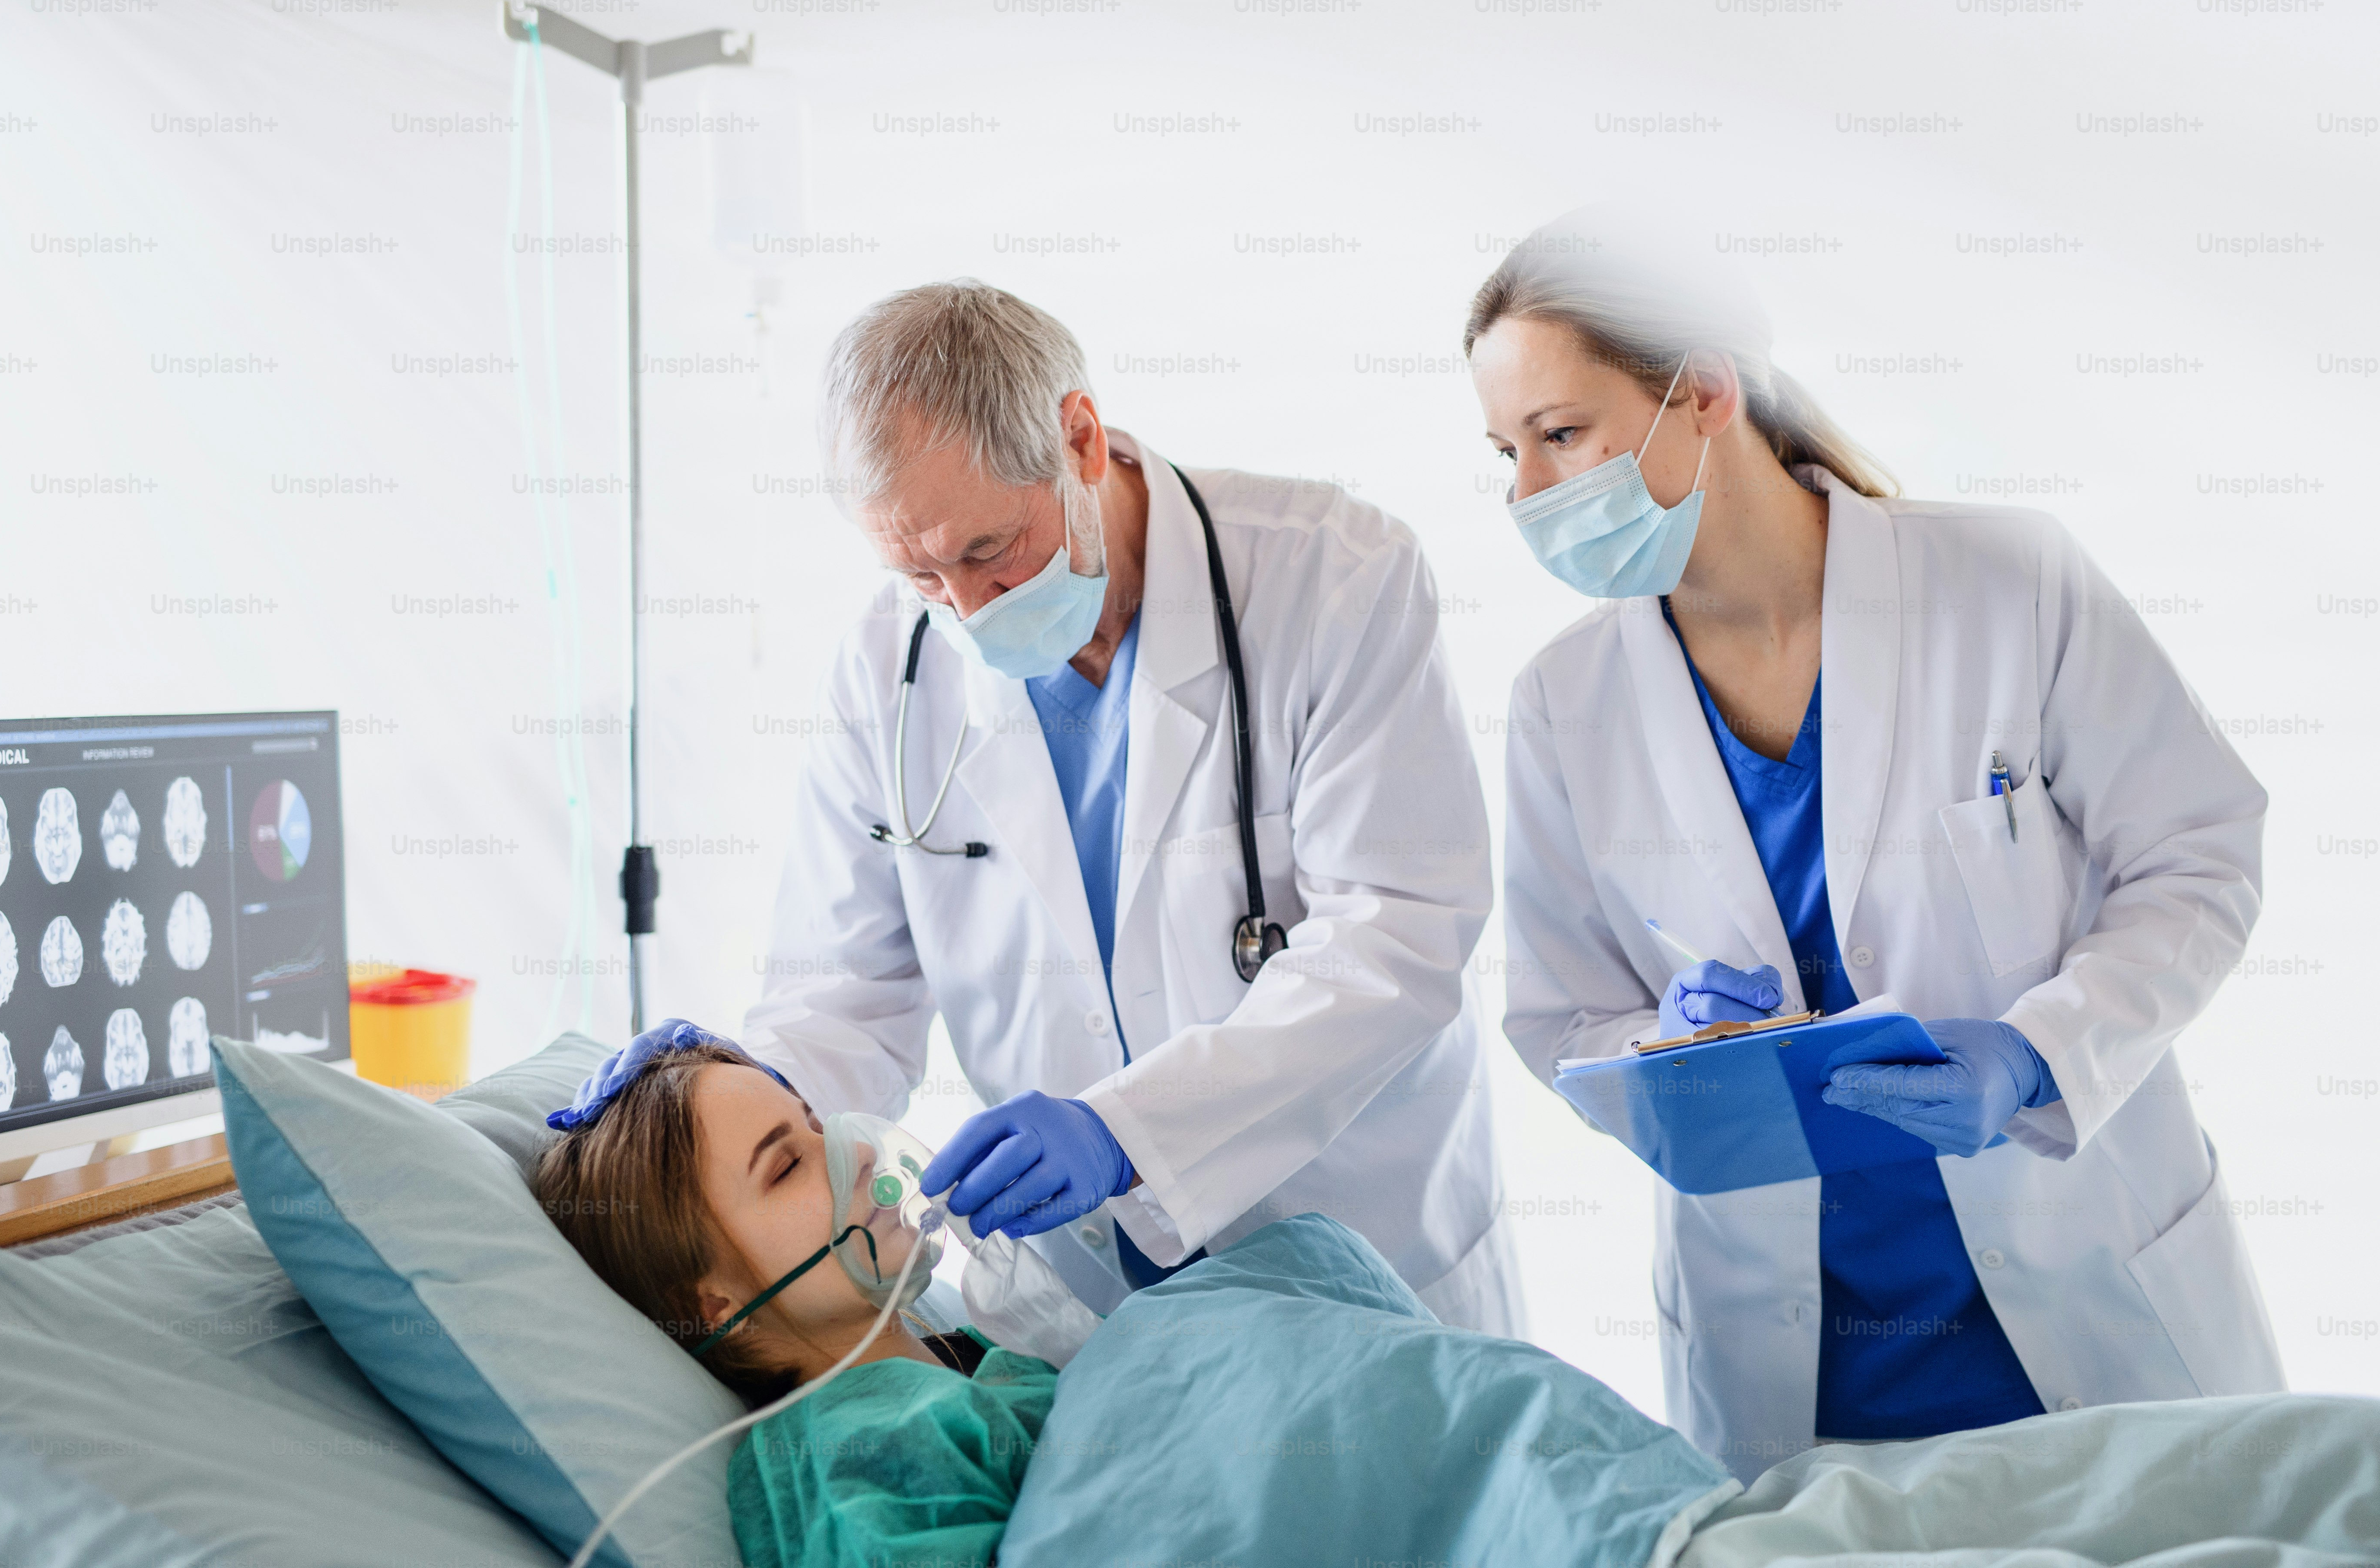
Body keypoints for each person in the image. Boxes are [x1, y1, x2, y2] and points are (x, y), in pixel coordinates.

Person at [1474, 214, 2283, 1479]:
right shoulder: (1560, 705)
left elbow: (2200, 855)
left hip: (2093, 1304)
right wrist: (1658, 1045)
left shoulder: (2005, 580)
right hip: (1798, 1379)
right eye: (1506, 452)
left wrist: (2036, 1055)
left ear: (1703, 391)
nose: (1528, 493)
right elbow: (1558, 1018)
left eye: (1561, 435)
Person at [533, 1034, 2380, 1568]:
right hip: (1577, 1551)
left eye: (817, 1120)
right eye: (788, 1167)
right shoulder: (836, 1462)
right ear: (714, 1293)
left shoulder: (1014, 1334)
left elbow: (1287, 1325)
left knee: (2234, 1467)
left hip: (1650, 1507)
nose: (859, 1162)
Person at [736, 279, 1519, 1333]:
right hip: (1087, 1306)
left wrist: (1126, 1133)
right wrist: (718, 1088)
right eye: (920, 573)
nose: (966, 611)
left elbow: (1396, 934)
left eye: (986, 551)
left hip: (1368, 1262)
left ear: (1081, 437)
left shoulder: (1334, 575)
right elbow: (844, 995)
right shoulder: (891, 668)